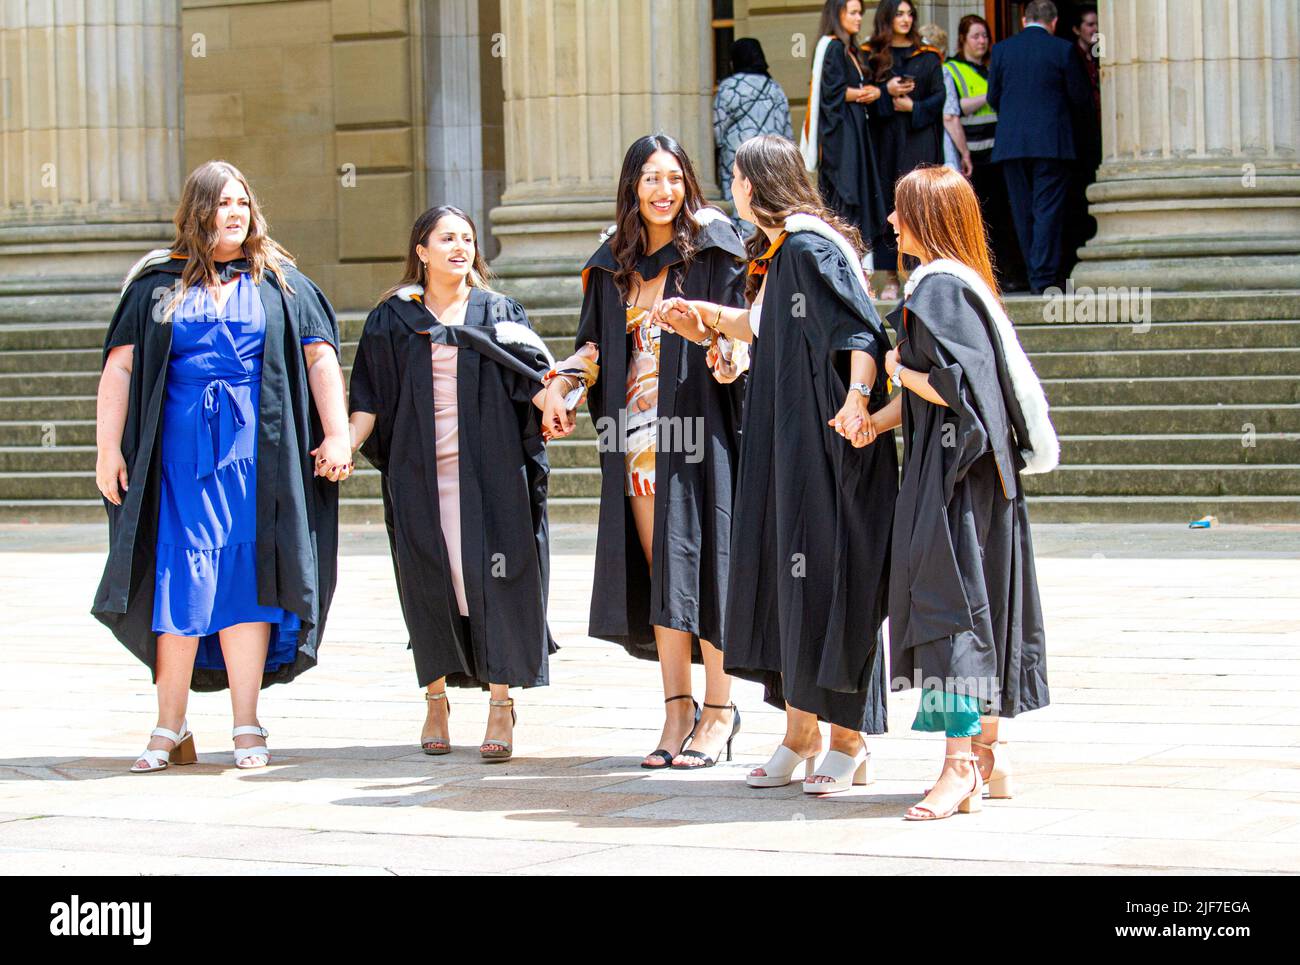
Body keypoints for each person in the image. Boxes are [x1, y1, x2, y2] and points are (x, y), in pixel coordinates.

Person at [656, 133, 897, 795]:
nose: (729, 186)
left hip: (821, 447)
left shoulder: (812, 246)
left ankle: (849, 739)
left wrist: (856, 404)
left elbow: (860, 333)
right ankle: (799, 731)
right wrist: (707, 317)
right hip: (779, 441)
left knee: (822, 582)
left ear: (754, 182)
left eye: (734, 175)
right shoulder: (779, 254)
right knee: (784, 583)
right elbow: (771, 330)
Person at [93, 160, 348, 772]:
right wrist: (107, 449)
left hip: (258, 459)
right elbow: (121, 368)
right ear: (195, 213)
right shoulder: (157, 285)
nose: (234, 212)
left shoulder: (280, 284)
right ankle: (168, 724)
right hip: (176, 460)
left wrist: (337, 434)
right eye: (220, 203)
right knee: (178, 580)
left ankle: (246, 724)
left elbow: (319, 359)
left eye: (242, 202)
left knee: (244, 580)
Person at [540, 135, 750, 770]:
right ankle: (676, 709)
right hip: (635, 440)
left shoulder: (714, 250)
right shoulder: (611, 264)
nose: (664, 191)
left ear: (689, 183)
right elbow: (592, 348)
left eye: (674, 178)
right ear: (633, 187)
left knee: (708, 568)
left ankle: (720, 710)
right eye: (651, 179)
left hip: (702, 430)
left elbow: (742, 332)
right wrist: (562, 382)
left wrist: (727, 355)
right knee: (665, 575)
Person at [867, 166, 1057, 820]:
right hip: (975, 478)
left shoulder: (938, 289)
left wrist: (895, 369)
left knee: (949, 611)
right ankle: (985, 758)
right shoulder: (963, 286)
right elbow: (944, 391)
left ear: (927, 218)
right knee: (977, 607)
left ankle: (957, 768)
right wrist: (877, 418)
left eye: (900, 211)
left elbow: (952, 390)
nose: (891, 223)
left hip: (952, 484)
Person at [347, 206, 556, 762]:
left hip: (491, 472)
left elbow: (529, 377)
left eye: (466, 238)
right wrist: (342, 443)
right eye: (447, 239)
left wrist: (554, 401)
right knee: (428, 579)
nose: (460, 247)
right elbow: (368, 401)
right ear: (421, 250)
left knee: (500, 578)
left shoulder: (498, 311)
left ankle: (500, 703)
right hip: (421, 472)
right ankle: (435, 697)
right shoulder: (394, 319)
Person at [986, 0, 1091, 293]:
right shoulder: (1063, 49)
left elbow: (993, 96)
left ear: (1023, 20)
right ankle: (1042, 278)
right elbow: (1079, 97)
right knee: (1047, 209)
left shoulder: (1002, 50)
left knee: (1023, 211)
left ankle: (1036, 274)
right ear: (1054, 22)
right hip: (1051, 143)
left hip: (1011, 144)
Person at [863, 0, 946, 301]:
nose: (906, 19)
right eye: (899, 13)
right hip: (883, 140)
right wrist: (888, 93)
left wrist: (914, 106)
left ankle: (918, 272)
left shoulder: (927, 55)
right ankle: (889, 277)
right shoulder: (870, 55)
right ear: (887, 17)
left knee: (918, 202)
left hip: (917, 138)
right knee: (886, 203)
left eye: (910, 13)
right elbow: (864, 100)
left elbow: (939, 98)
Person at [946, 14, 1027, 290]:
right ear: (963, 40)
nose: (982, 41)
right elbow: (957, 107)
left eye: (985, 36)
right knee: (982, 220)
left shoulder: (992, 68)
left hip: (998, 152)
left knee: (1004, 219)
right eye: (976, 36)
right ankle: (988, 277)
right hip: (974, 157)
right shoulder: (953, 68)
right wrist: (993, 92)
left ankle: (1009, 274)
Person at [799, 0, 887, 255]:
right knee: (844, 198)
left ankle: (857, 260)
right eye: (853, 12)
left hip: (854, 132)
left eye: (860, 12)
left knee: (856, 196)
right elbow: (831, 93)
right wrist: (864, 93)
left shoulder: (849, 49)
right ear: (838, 14)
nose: (859, 18)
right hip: (841, 136)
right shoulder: (833, 46)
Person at [714, 37, 793, 233]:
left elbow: (718, 128)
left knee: (740, 205)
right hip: (770, 160)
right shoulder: (774, 88)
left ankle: (744, 250)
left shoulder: (729, 87)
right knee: (768, 205)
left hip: (737, 159)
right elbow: (787, 131)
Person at [1065, 2, 1102, 277]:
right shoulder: (1071, 56)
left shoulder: (1100, 57)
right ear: (1077, 29)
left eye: (1098, 24)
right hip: (1080, 140)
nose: (1095, 29)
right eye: (1090, 24)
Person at [918, 23, 972, 177]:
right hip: (940, 144)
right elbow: (949, 116)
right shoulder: (942, 71)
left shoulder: (910, 68)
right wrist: (965, 153)